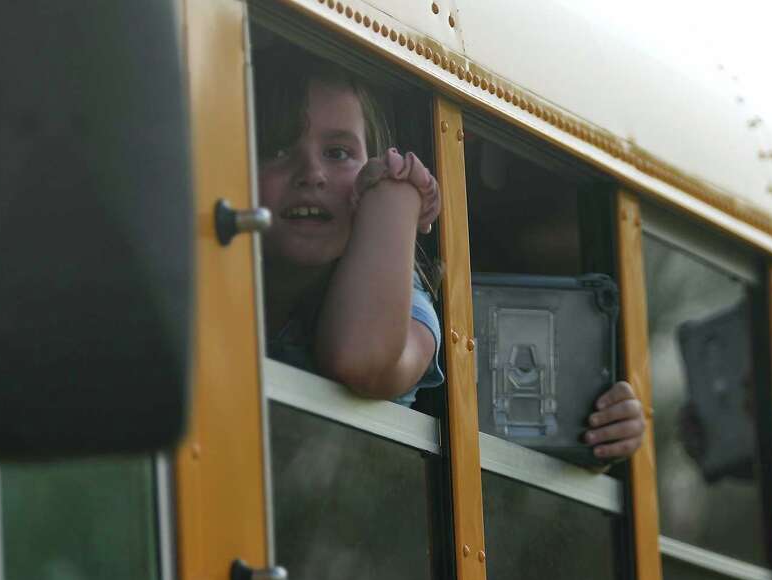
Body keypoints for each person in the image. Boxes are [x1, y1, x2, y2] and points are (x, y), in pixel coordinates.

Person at [254, 48, 645, 459]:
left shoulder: (409, 308)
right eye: (277, 149)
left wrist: (393, 197)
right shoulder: (217, 272)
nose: (311, 173)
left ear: (369, 173)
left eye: (338, 153)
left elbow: (360, 359)